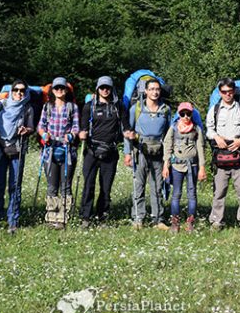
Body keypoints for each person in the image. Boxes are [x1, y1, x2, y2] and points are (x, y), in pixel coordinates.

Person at [206, 77, 240, 232]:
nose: (227, 94)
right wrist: (216, 138)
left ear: (234, 91)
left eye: (230, 91)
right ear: (220, 92)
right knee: (219, 191)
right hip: (221, 155)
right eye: (224, 92)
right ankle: (216, 222)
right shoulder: (214, 109)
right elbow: (208, 129)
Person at [78, 76, 129, 228]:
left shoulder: (118, 106)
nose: (105, 90)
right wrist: (82, 134)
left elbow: (125, 125)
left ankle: (102, 217)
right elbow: (83, 127)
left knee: (106, 187)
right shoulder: (89, 106)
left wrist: (128, 133)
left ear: (112, 89)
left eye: (108, 87)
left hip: (111, 151)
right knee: (88, 185)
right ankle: (85, 217)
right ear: (97, 89)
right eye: (102, 87)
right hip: (91, 151)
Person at [124, 78, 172, 230]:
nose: (155, 92)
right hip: (140, 151)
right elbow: (128, 132)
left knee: (157, 186)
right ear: (145, 91)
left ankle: (158, 219)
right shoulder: (137, 108)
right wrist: (127, 153)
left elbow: (169, 134)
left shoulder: (165, 110)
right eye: (151, 89)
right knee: (139, 186)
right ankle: (138, 218)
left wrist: (168, 158)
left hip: (159, 150)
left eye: (157, 89)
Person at [0, 79, 35, 234]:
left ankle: (12, 221)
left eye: (22, 90)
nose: (19, 93)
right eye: (16, 90)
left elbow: (31, 127)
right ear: (11, 91)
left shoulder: (27, 107)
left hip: (17, 149)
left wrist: (26, 130)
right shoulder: (2, 104)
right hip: (0, 147)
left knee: (15, 186)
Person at [37, 77, 80, 229]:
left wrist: (71, 136)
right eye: (56, 88)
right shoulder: (47, 107)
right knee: (51, 185)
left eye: (62, 88)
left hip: (67, 149)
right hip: (50, 150)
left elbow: (76, 127)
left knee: (65, 185)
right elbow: (41, 125)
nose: (59, 90)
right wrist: (43, 135)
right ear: (52, 90)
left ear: (67, 90)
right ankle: (51, 216)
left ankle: (63, 217)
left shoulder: (72, 107)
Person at [162, 102, 207, 233]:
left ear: (192, 114)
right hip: (176, 166)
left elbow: (200, 148)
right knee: (176, 194)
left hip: (192, 165)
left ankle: (190, 223)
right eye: (182, 114)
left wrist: (202, 167)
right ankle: (175, 223)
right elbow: (167, 145)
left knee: (192, 194)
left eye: (188, 114)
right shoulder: (174, 128)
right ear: (179, 114)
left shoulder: (196, 129)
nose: (186, 116)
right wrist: (166, 164)